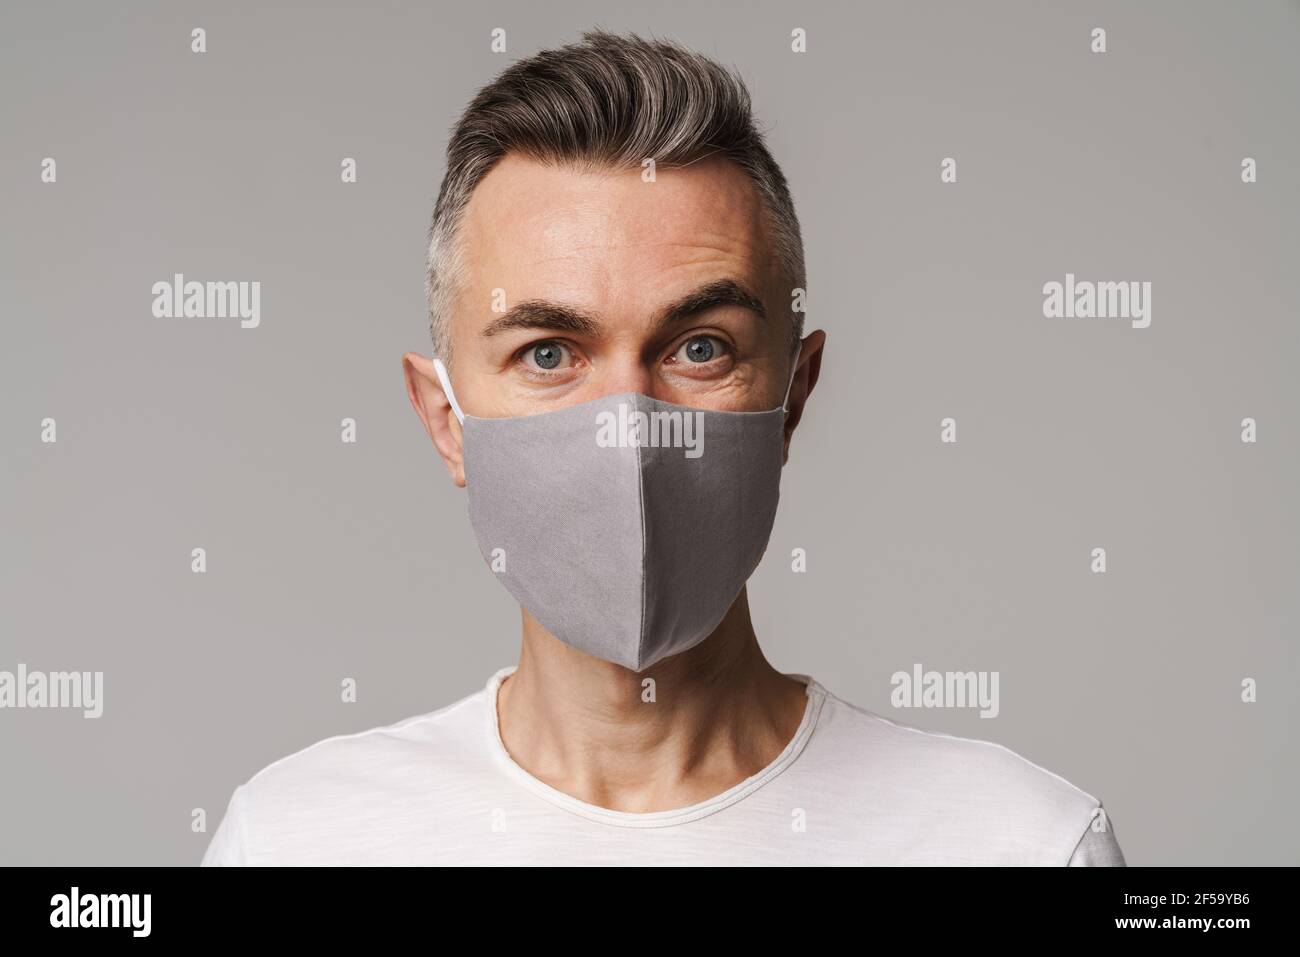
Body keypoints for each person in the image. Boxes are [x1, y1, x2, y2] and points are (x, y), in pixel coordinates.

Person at [201, 29, 1125, 866]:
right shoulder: (294, 839)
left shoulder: (1020, 843)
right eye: (550, 353)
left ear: (792, 397)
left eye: (699, 348)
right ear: (446, 420)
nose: (629, 427)